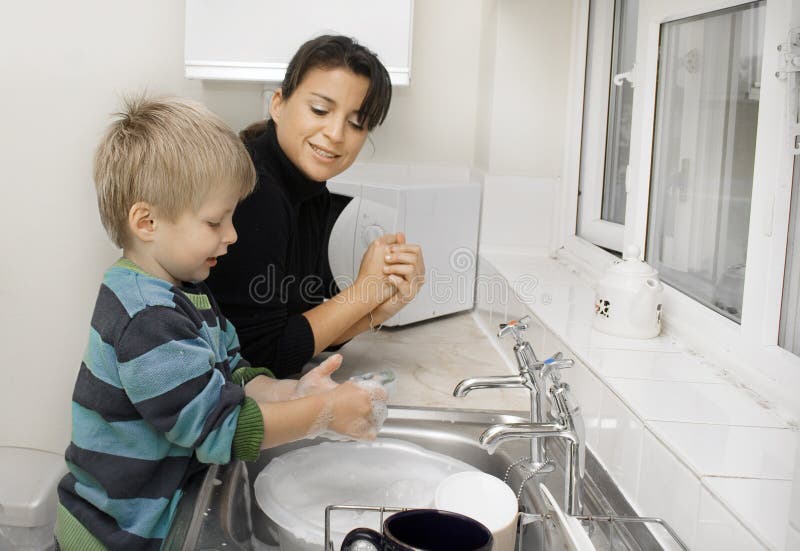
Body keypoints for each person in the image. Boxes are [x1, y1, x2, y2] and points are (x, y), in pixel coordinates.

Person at [55, 96, 387, 551]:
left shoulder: (186, 289)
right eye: (215, 221)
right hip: (113, 536)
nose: (231, 235)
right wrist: (324, 413)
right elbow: (221, 429)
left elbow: (231, 376)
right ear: (147, 222)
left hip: (150, 519)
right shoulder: (147, 319)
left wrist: (294, 392)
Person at [206, 34, 425, 378]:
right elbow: (262, 358)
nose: (336, 133)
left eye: (357, 123)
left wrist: (381, 309)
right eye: (320, 110)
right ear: (278, 104)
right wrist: (365, 291)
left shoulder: (312, 194)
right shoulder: (254, 191)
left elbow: (300, 330)